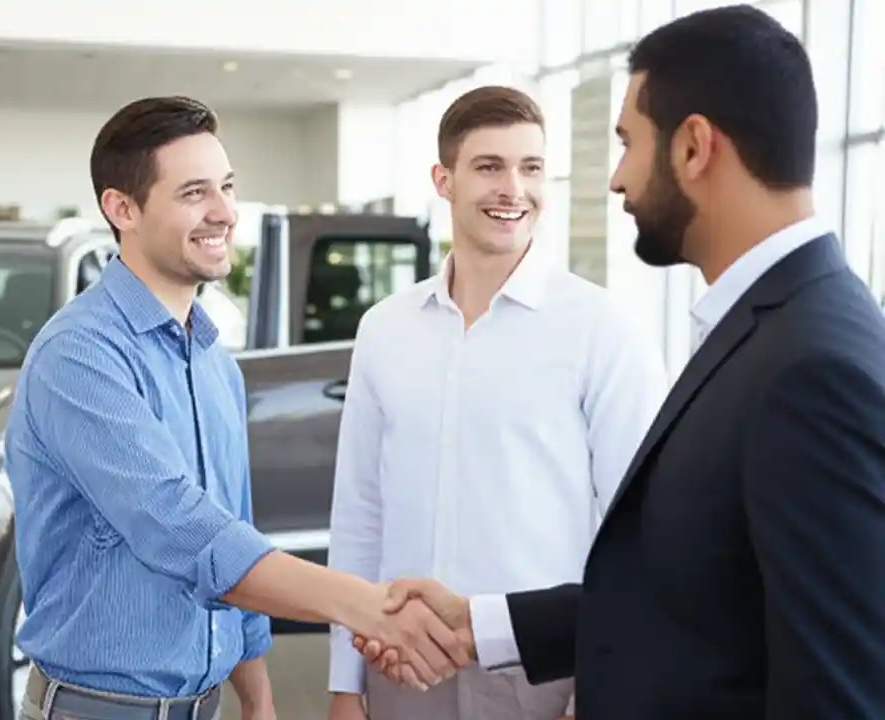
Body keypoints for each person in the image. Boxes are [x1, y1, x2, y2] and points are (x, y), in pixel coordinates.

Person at [355, 6, 885, 719]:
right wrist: (481, 622)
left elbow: (839, 688)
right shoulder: (762, 332)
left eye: (629, 141)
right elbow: (690, 591)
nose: (616, 179)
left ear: (694, 147)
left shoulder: (812, 365)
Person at [6, 95, 475, 720]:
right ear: (122, 208)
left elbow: (234, 530)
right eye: (193, 192)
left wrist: (256, 696)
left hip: (205, 707)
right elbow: (183, 530)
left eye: (226, 187)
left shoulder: (212, 361)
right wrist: (367, 606)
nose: (224, 212)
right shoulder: (79, 357)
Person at [324, 86, 667, 720]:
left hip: (544, 676)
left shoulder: (600, 327)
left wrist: (598, 688)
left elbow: (642, 533)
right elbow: (360, 514)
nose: (514, 188)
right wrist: (346, 684)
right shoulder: (385, 328)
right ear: (443, 179)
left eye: (531, 168)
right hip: (402, 665)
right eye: (489, 167)